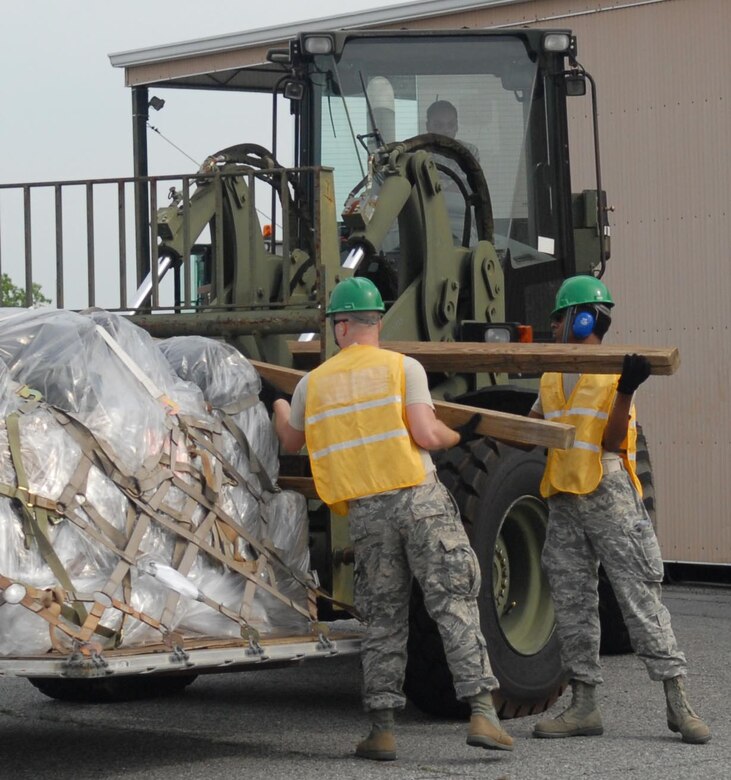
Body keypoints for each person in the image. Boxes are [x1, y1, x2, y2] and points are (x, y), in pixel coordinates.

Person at [272, 276, 514, 761]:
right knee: (453, 602)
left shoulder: (311, 384)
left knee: (383, 619)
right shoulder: (405, 368)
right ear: (375, 323)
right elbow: (425, 433)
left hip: (368, 514)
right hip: (419, 500)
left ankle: (381, 730)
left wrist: (278, 403)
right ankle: (483, 713)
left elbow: (290, 443)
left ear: (340, 327)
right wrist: (459, 435)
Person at [527, 275, 710, 744]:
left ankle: (678, 704)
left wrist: (627, 389)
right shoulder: (550, 374)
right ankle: (583, 706)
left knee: (640, 599)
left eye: (557, 319)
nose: (551, 328)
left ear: (579, 317)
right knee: (572, 604)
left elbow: (610, 439)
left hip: (608, 491)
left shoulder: (613, 371)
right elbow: (532, 428)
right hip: (564, 498)